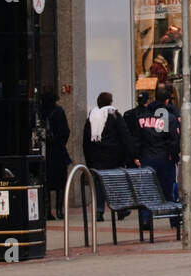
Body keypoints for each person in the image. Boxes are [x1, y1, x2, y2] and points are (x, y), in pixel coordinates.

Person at [83, 92, 139, 221]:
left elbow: (86, 141)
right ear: (110, 102)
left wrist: (88, 159)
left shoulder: (91, 118)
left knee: (98, 185)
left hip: (96, 159)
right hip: (114, 157)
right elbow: (125, 136)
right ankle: (121, 209)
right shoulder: (115, 116)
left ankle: (98, 211)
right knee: (116, 183)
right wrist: (133, 154)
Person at [136, 84, 180, 226]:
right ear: (167, 100)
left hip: (147, 158)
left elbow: (138, 139)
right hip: (164, 158)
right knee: (169, 190)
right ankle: (174, 219)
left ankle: (145, 219)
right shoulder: (170, 118)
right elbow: (174, 140)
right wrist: (174, 156)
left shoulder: (142, 117)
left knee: (148, 190)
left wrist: (138, 156)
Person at [41, 89, 70, 220]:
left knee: (45, 182)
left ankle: (47, 210)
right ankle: (59, 210)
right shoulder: (59, 111)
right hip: (58, 151)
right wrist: (59, 141)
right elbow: (65, 131)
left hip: (44, 151)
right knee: (61, 182)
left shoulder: (39, 112)